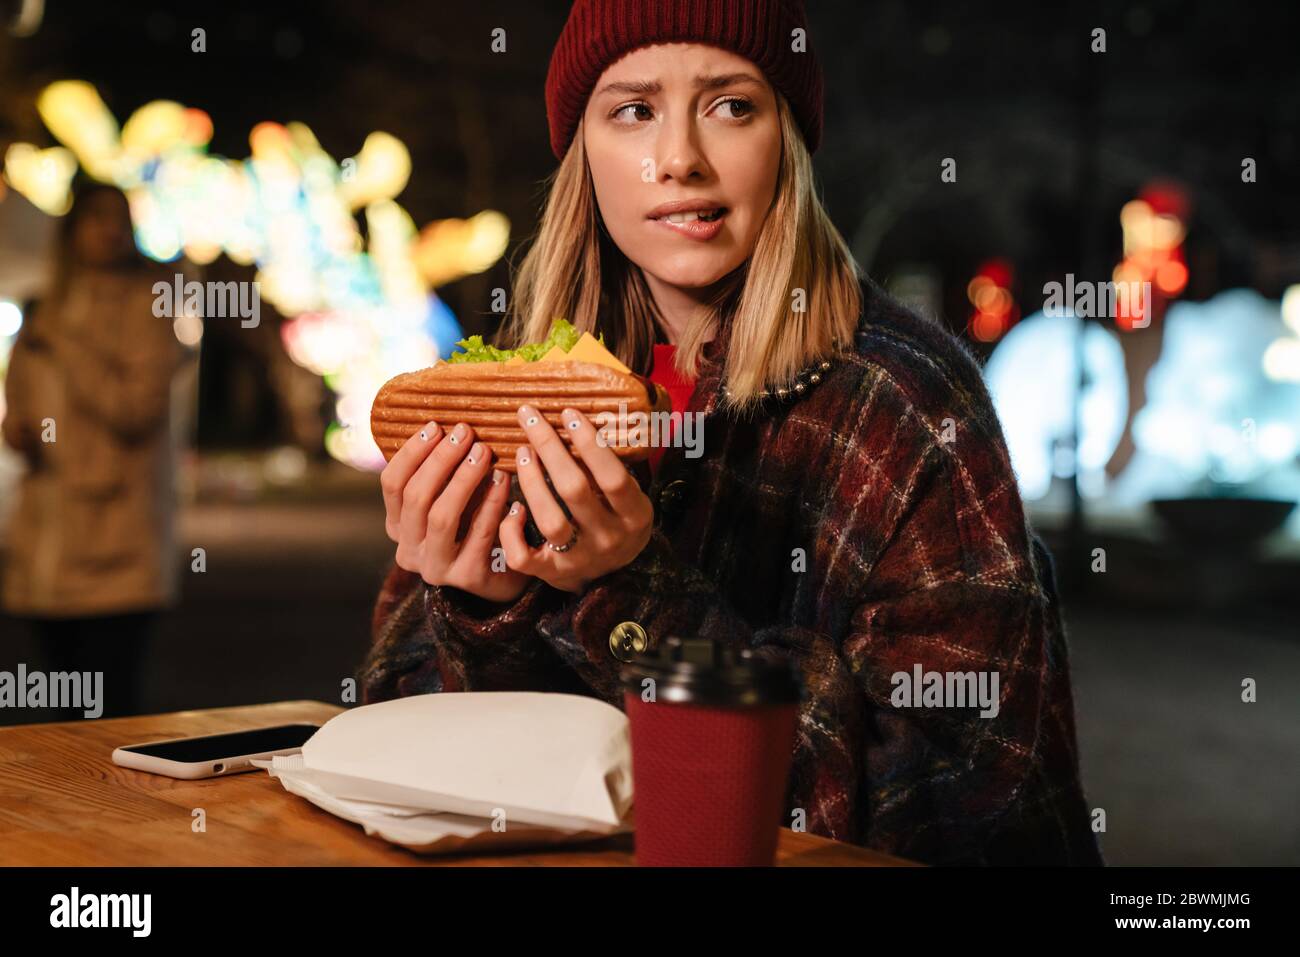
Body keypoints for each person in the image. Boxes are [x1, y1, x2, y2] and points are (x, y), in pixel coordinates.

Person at [356, 0, 1103, 865]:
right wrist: (482, 609)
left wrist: (627, 590)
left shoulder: (907, 400)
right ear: (582, 153)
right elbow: (386, 738)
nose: (679, 159)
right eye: (633, 110)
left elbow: (955, 807)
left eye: (731, 106)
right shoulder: (510, 398)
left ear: (786, 137)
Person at [2, 182, 183, 720]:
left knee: (108, 711)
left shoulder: (147, 302)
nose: (107, 230)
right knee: (59, 715)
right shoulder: (45, 305)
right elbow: (20, 406)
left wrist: (68, 347)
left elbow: (134, 411)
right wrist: (22, 431)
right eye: (94, 217)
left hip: (117, 541)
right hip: (45, 540)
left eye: (117, 218)